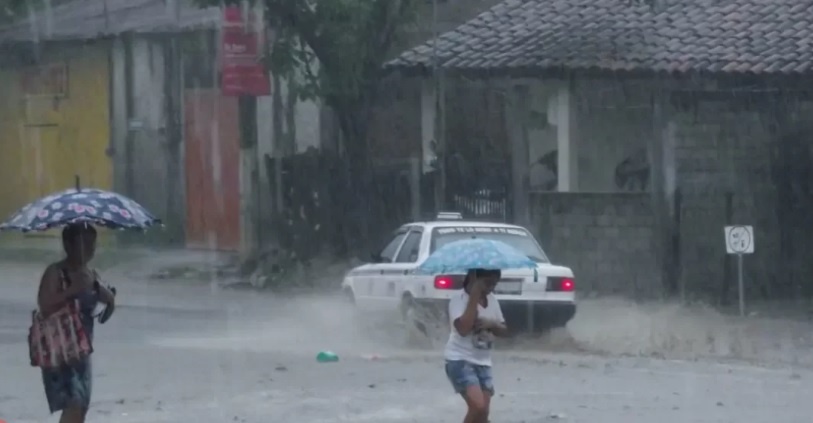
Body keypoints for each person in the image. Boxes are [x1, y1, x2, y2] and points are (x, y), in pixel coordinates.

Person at [37, 223, 116, 423]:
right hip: (61, 350)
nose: (89, 249)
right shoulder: (55, 272)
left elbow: (105, 300)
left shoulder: (89, 274)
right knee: (74, 403)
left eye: (92, 244)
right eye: (83, 243)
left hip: (82, 350)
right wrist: (72, 290)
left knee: (81, 406)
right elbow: (45, 305)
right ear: (68, 245)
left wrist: (104, 294)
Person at [444, 268, 510, 423]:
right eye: (487, 283)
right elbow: (463, 329)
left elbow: (504, 330)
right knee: (478, 407)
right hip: (460, 360)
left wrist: (491, 324)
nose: (491, 288)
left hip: (483, 362)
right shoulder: (458, 299)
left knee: (483, 414)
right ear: (474, 279)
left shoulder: (492, 300)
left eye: (494, 284)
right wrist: (474, 296)